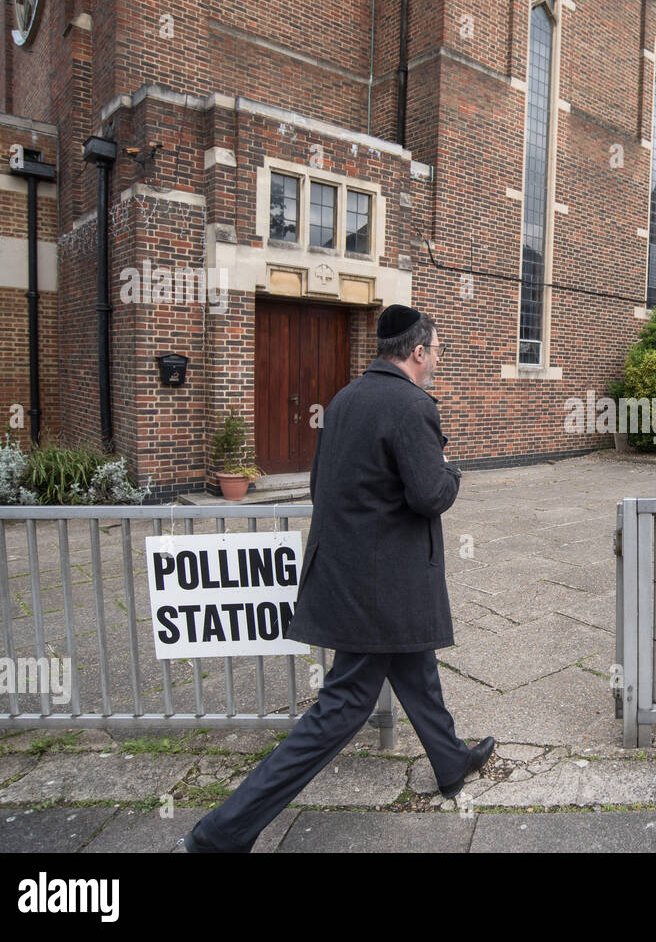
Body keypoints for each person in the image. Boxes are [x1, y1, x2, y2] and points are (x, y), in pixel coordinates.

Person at [181, 305, 494, 852]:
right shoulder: (412, 406)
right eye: (437, 350)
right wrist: (452, 470)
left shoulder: (344, 399)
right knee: (341, 708)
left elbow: (323, 486)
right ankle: (221, 833)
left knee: (415, 668)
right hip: (382, 588)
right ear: (418, 352)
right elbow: (429, 495)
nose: (438, 360)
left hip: (352, 574)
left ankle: (450, 761)